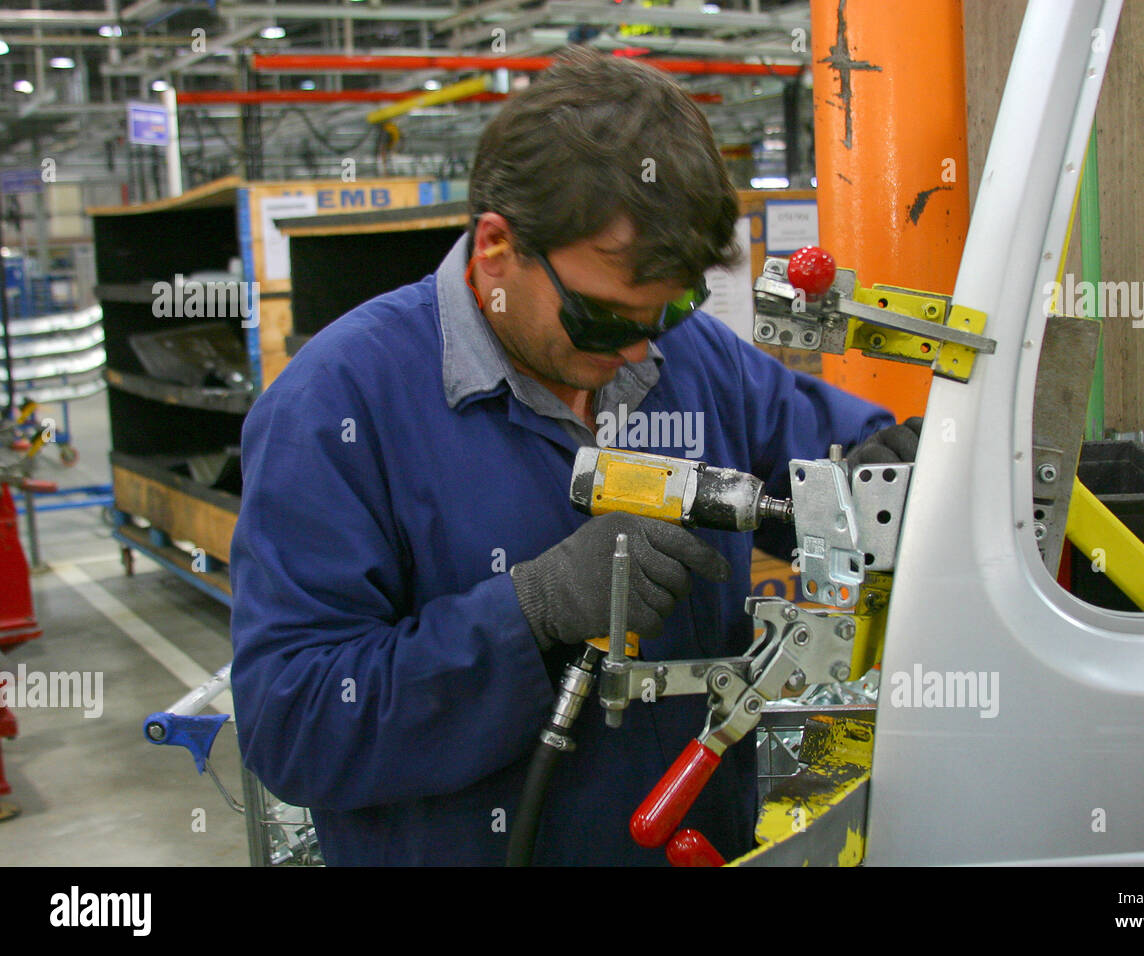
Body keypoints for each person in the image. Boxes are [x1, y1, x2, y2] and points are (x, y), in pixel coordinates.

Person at [230, 47, 905, 866]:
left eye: (666, 313)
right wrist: (532, 612)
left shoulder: (693, 359)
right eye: (601, 320)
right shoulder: (337, 407)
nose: (634, 355)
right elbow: (295, 722)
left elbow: (840, 468)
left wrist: (893, 474)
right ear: (495, 250)